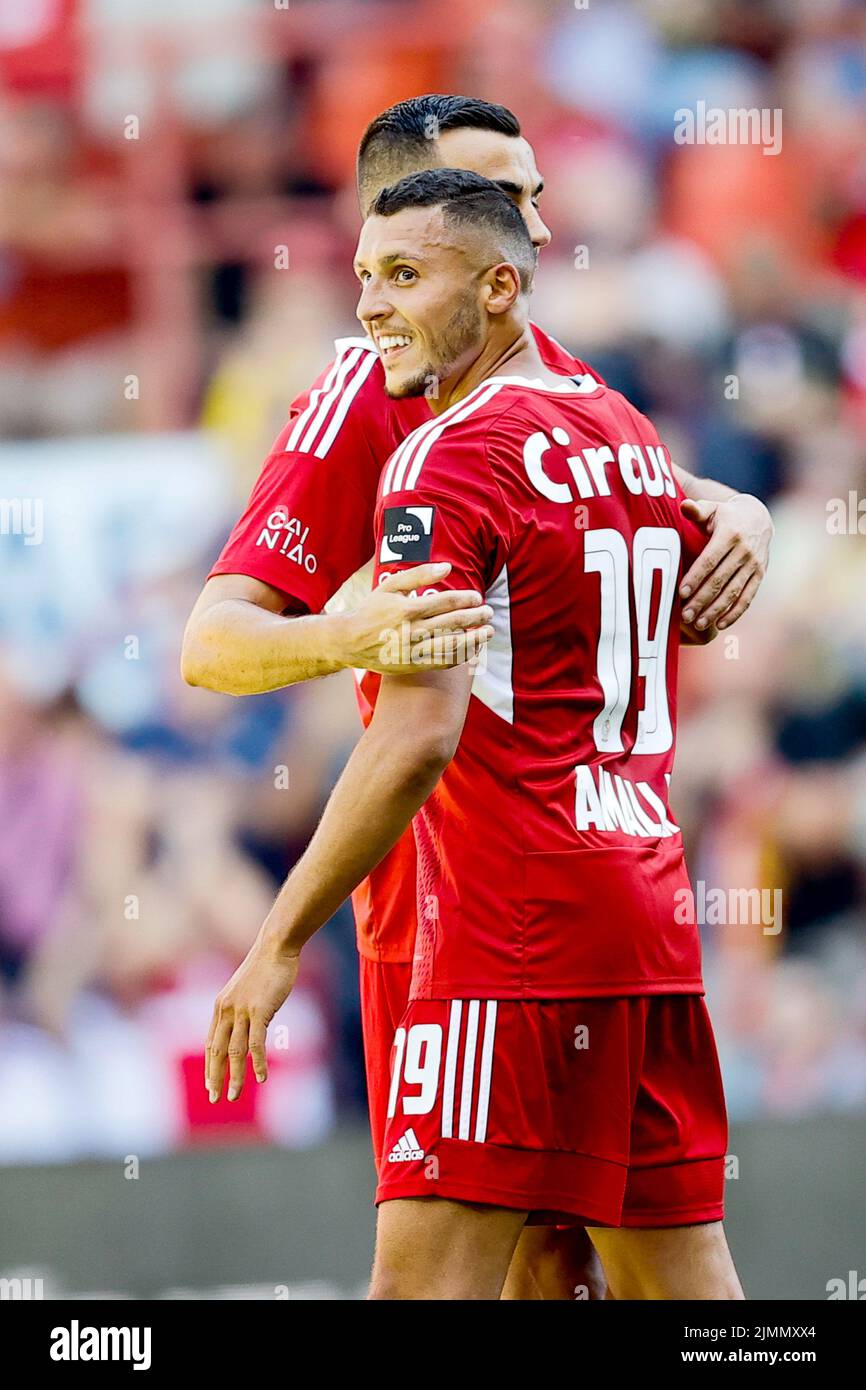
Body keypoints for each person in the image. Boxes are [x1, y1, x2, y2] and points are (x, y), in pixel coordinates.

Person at [185, 94, 771, 1299]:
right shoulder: (372, 392)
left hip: (499, 902)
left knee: (491, 1266)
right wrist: (353, 628)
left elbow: (421, 720)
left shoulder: (502, 408)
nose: (538, 226)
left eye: (536, 198)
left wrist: (745, 512)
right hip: (533, 893)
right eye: (504, 195)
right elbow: (214, 640)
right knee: (582, 1264)